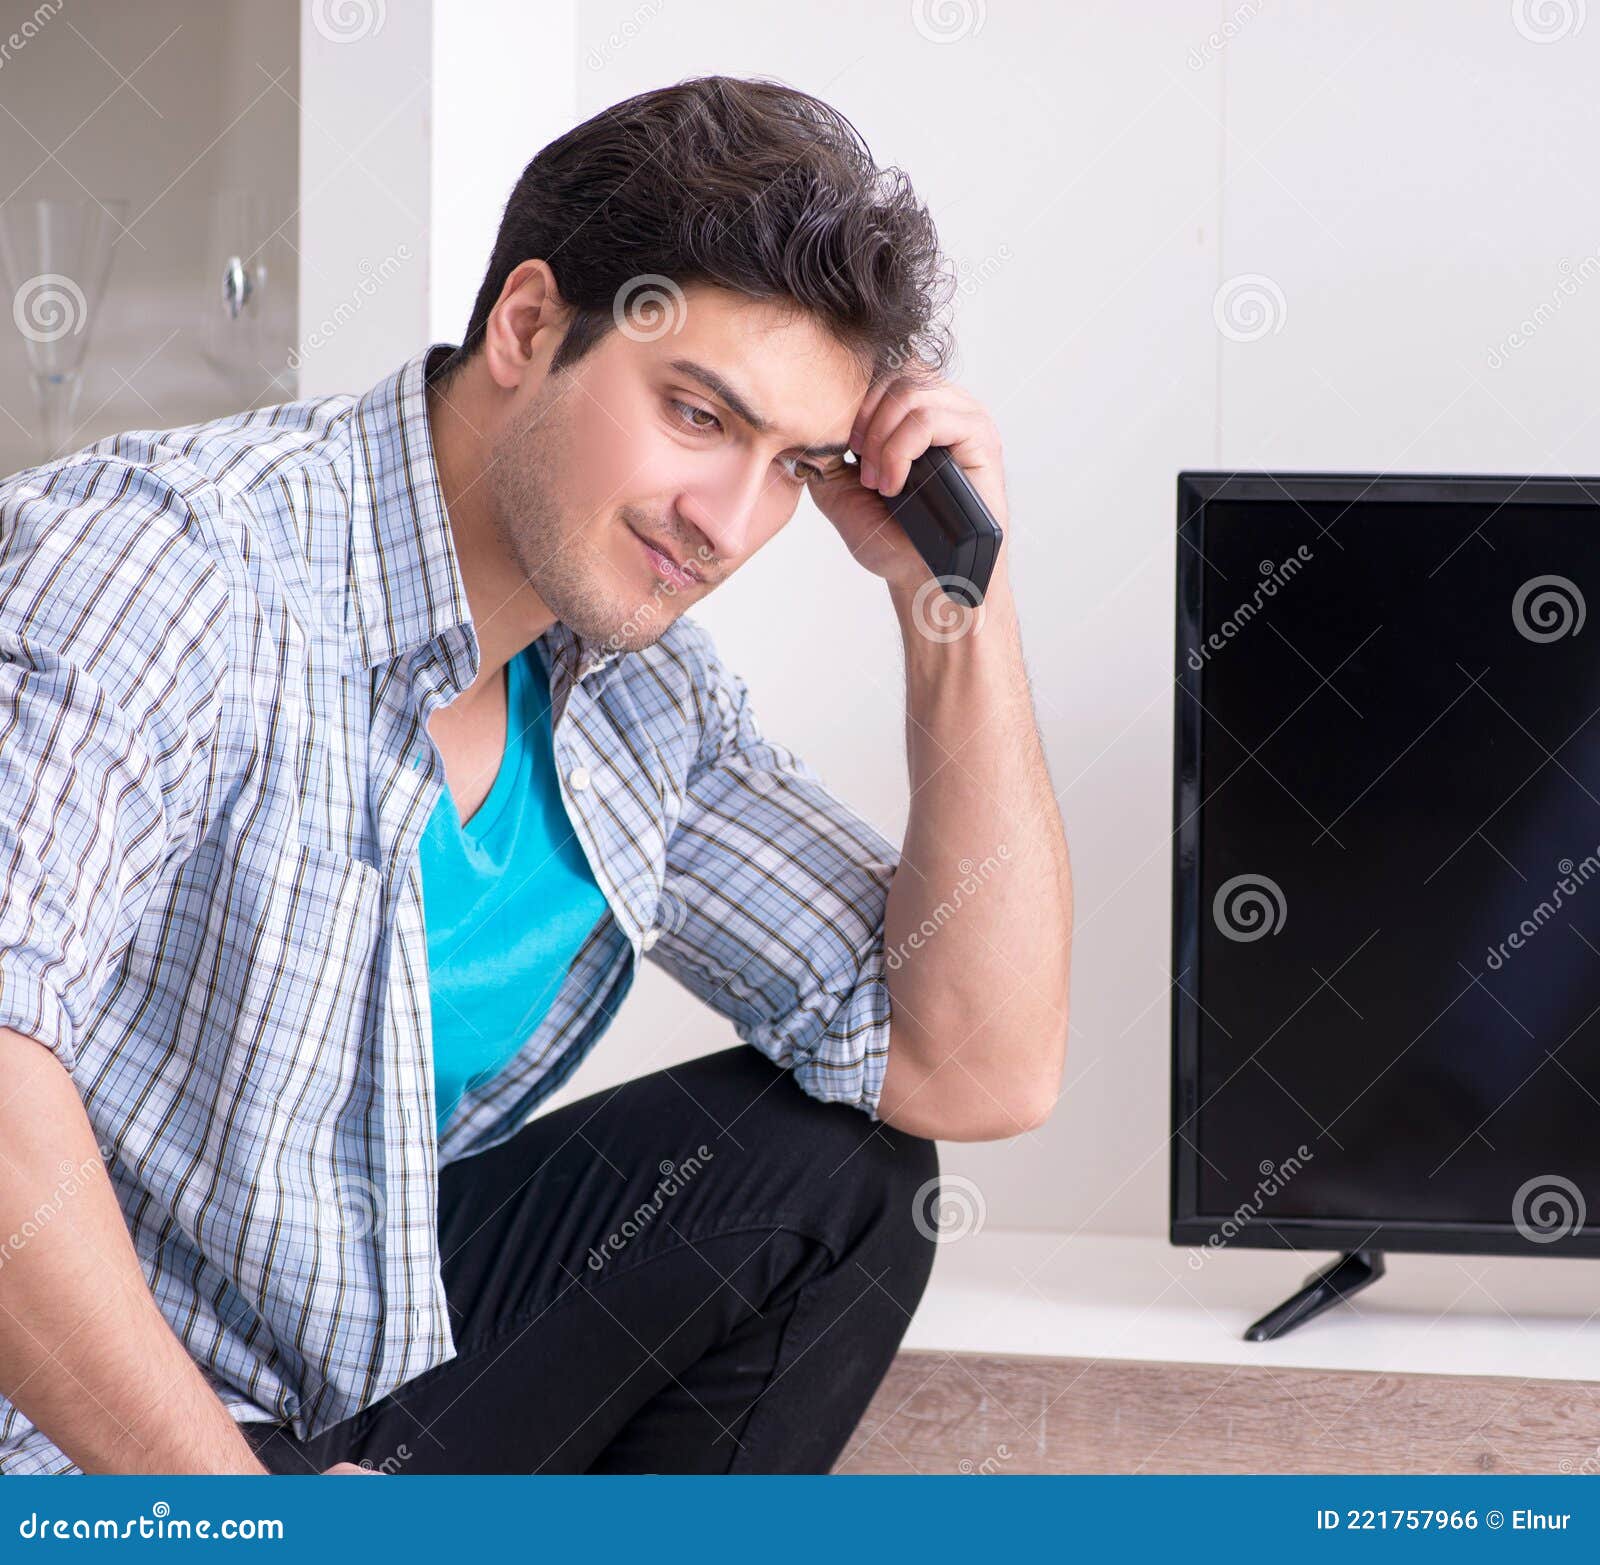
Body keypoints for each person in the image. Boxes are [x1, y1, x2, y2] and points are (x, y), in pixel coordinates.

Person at [0, 75, 1071, 1475]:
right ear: (525, 326)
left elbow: (969, 1061)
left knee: (846, 1179)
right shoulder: (166, 563)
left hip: (326, 1401)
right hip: (78, 1439)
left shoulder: (636, 696)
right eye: (697, 415)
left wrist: (957, 601)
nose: (731, 523)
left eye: (792, 465)